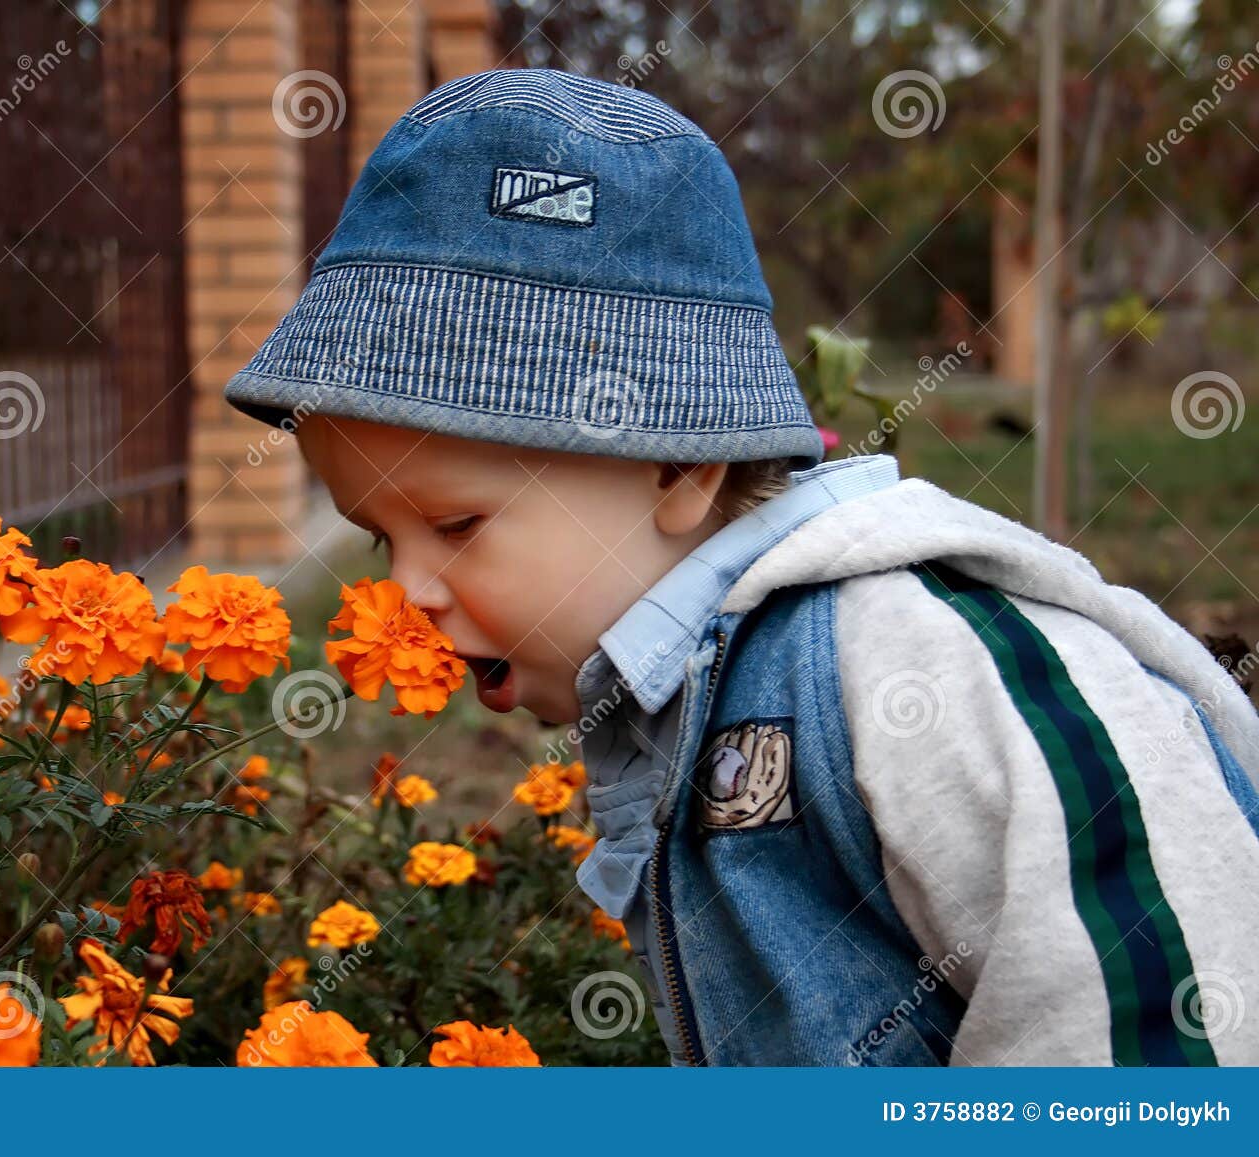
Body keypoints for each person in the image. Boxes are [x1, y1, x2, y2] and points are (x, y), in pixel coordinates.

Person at [224, 68, 1259, 1066]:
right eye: (378, 535)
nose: (406, 591)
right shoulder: (686, 690)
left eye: (454, 523)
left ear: (676, 469)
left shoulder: (901, 656)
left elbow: (1160, 1015)